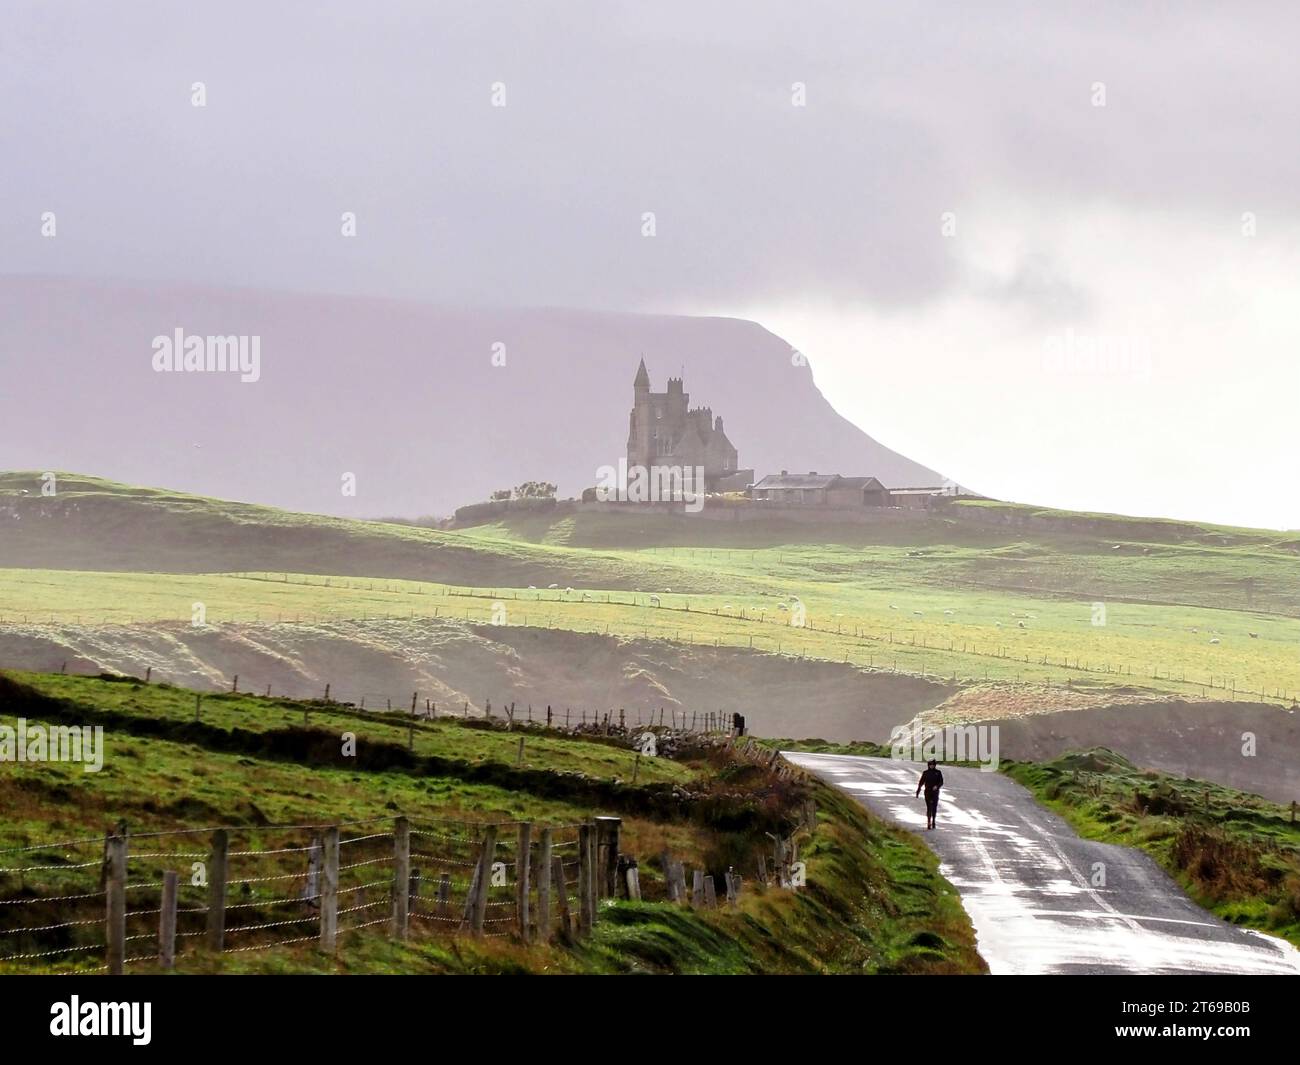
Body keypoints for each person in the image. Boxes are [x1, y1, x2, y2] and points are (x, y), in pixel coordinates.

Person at [915, 759, 944, 830]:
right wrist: (918, 790)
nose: (932, 766)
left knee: (934, 807)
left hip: (935, 792)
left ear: (935, 765)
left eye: (933, 764)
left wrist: (937, 786)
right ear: (928, 765)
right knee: (929, 807)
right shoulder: (925, 773)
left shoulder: (938, 772)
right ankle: (929, 822)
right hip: (927, 792)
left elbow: (941, 782)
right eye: (930, 764)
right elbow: (921, 782)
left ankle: (933, 820)